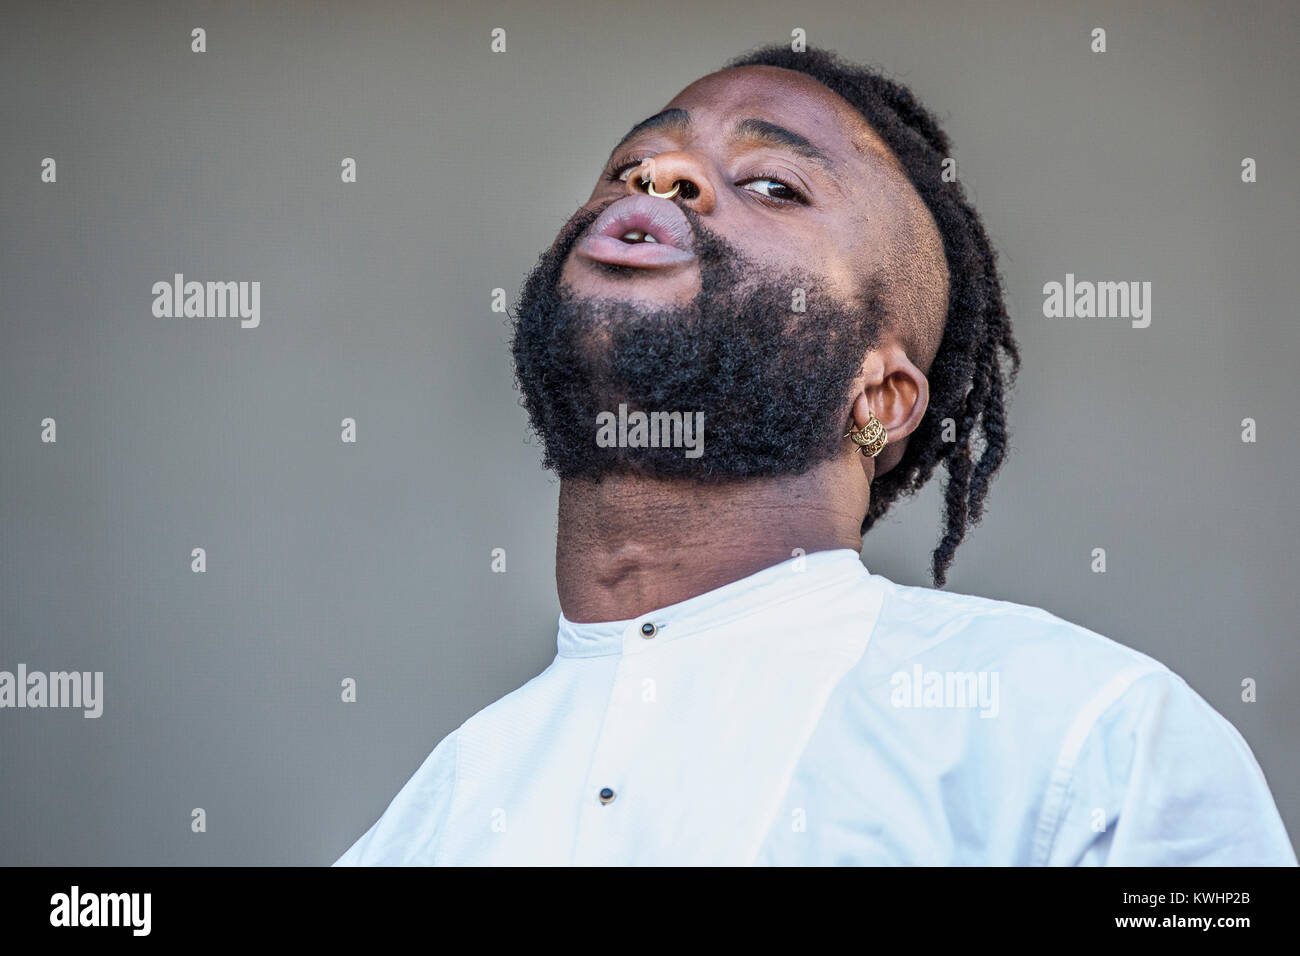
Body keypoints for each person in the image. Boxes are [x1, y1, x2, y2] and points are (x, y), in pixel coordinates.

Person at [336, 46, 1295, 865]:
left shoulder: (1093, 741)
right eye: (634, 163)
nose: (662, 176)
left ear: (879, 396)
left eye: (772, 185)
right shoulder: (434, 821)